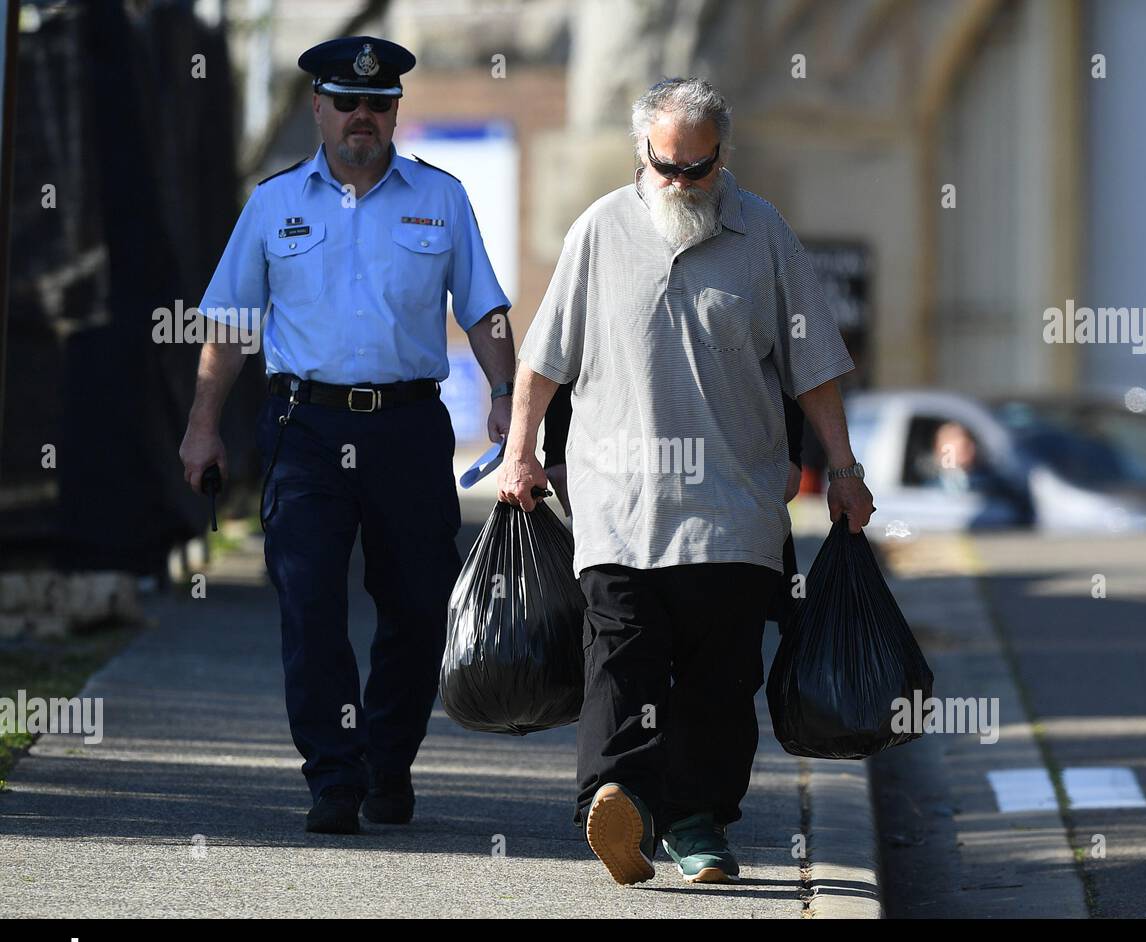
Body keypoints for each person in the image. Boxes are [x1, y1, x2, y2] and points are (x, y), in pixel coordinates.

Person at [497, 78, 874, 885]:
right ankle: (618, 800)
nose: (681, 185)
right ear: (644, 152)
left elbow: (815, 371)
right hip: (618, 507)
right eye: (667, 168)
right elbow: (542, 362)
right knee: (619, 661)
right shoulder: (600, 230)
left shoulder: (763, 233)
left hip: (732, 510)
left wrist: (843, 471)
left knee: (719, 679)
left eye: (697, 170)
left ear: (721, 157)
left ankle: (698, 823)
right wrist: (520, 455)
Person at [178, 36, 515, 835]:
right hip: (306, 429)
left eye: (380, 103)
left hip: (407, 428)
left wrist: (508, 398)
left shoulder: (441, 198)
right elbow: (228, 323)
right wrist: (202, 429)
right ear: (320, 110)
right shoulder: (272, 204)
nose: (364, 115)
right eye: (348, 102)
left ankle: (387, 762)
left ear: (395, 112)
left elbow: (485, 309)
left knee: (418, 604)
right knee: (310, 603)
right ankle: (334, 774)